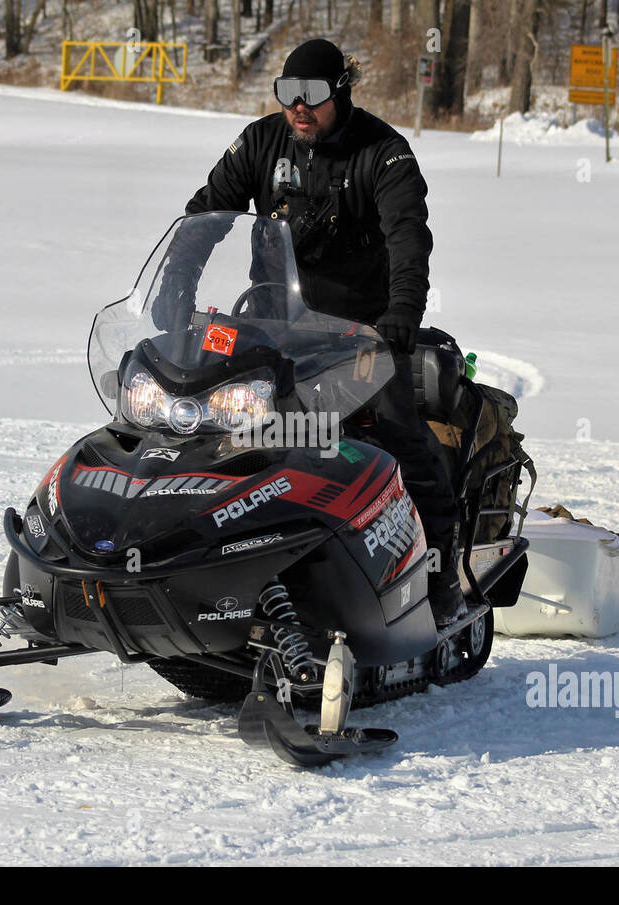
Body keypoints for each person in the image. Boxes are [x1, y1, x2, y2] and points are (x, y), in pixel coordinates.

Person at [174, 38, 466, 627]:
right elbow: (206, 213)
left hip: (361, 337)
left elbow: (409, 240)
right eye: (288, 94)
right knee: (197, 424)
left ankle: (440, 586)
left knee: (400, 441)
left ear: (341, 92)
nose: (299, 108)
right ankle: (192, 570)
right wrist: (174, 286)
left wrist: (402, 316)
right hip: (272, 325)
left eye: (312, 95)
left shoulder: (384, 153)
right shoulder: (260, 141)